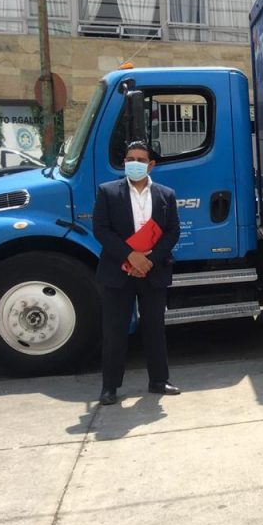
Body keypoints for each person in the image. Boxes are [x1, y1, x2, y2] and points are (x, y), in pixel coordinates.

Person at [92, 141, 180, 406]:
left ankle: (158, 380)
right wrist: (130, 256)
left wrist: (149, 260)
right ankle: (110, 387)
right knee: (115, 330)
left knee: (154, 328)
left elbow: (172, 231)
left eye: (141, 159)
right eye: (130, 158)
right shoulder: (108, 192)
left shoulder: (166, 194)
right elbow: (101, 229)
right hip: (119, 270)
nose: (135, 163)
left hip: (153, 271)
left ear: (151, 165)